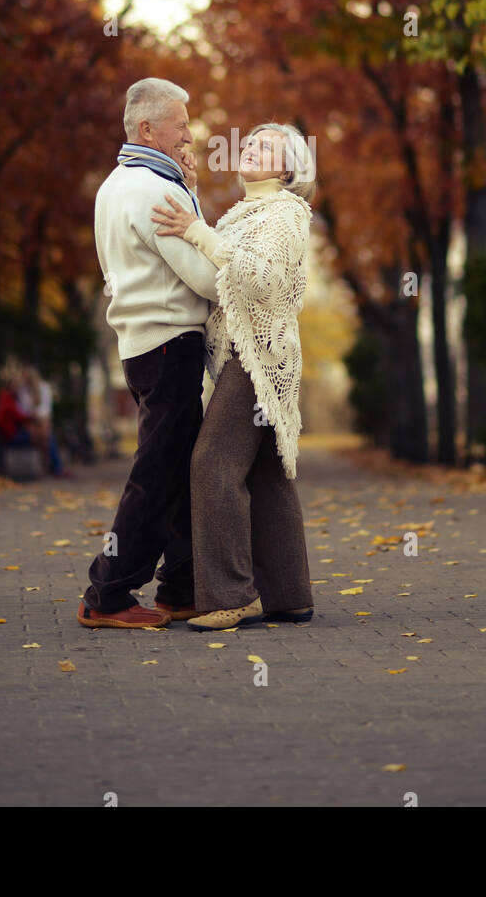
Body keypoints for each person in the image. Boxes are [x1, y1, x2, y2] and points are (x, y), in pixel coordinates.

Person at [150, 122, 316, 631]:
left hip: (258, 358)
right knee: (264, 472)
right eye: (250, 142)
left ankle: (230, 596)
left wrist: (196, 231)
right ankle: (289, 595)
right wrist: (194, 199)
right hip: (241, 354)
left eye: (266, 146)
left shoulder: (286, 213)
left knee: (212, 464)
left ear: (287, 168)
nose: (250, 149)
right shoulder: (246, 214)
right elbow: (221, 260)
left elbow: (261, 278)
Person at [78, 78, 221, 630]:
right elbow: (208, 278)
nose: (190, 133)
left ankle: (180, 588)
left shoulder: (114, 185)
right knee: (157, 476)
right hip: (171, 345)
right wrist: (195, 209)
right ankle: (107, 593)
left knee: (183, 468)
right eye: (181, 123)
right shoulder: (160, 191)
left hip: (138, 346)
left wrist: (190, 192)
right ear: (147, 128)